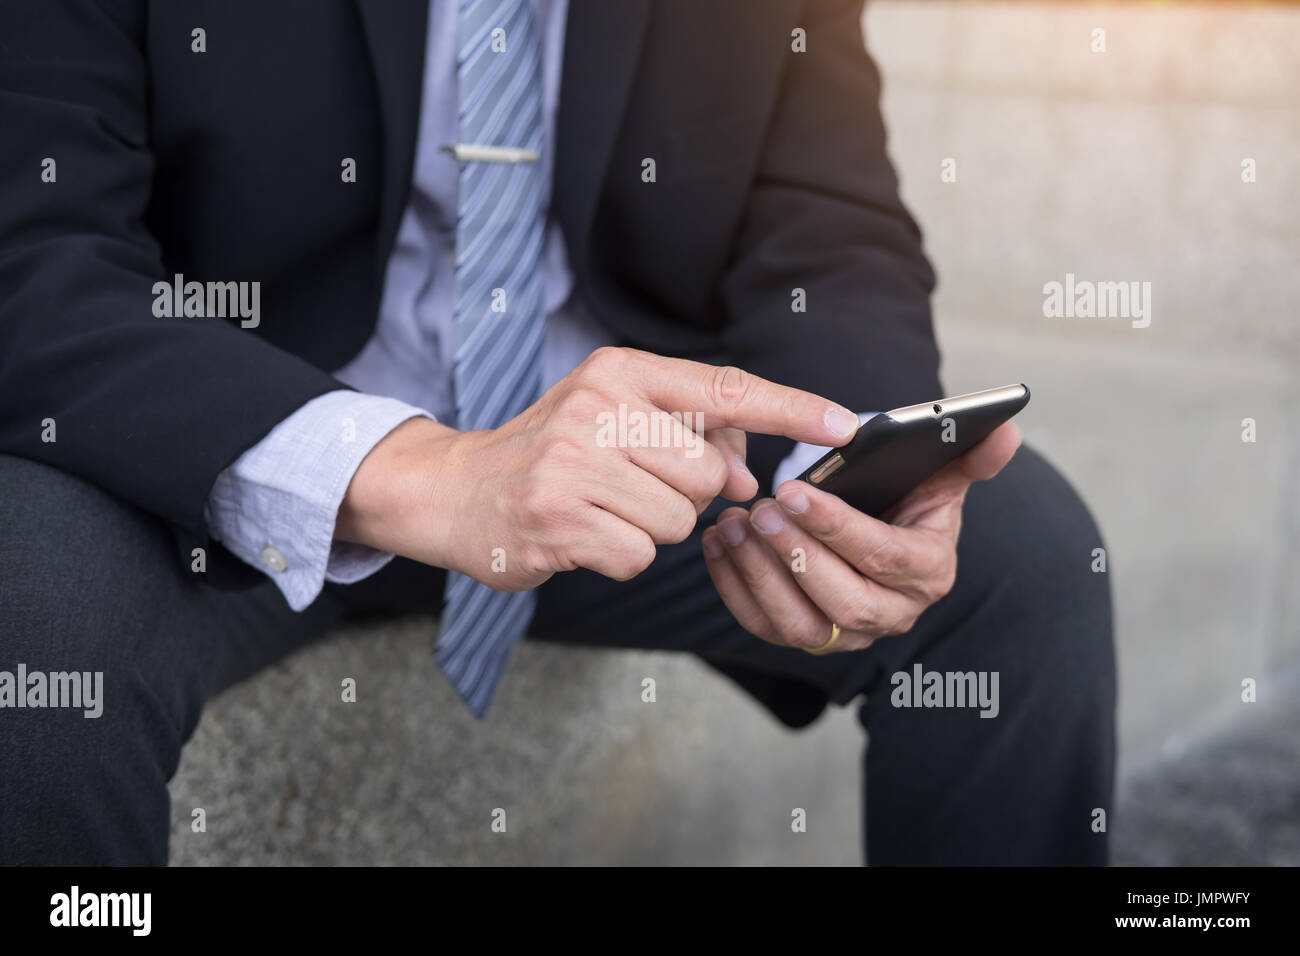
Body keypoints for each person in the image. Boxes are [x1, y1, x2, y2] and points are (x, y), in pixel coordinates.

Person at [0, 0, 1114, 865]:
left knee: (1026, 555)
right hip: (219, 450)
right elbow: (36, 253)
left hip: (637, 480)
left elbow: (827, 227)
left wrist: (841, 481)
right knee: (31, 599)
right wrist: (409, 468)